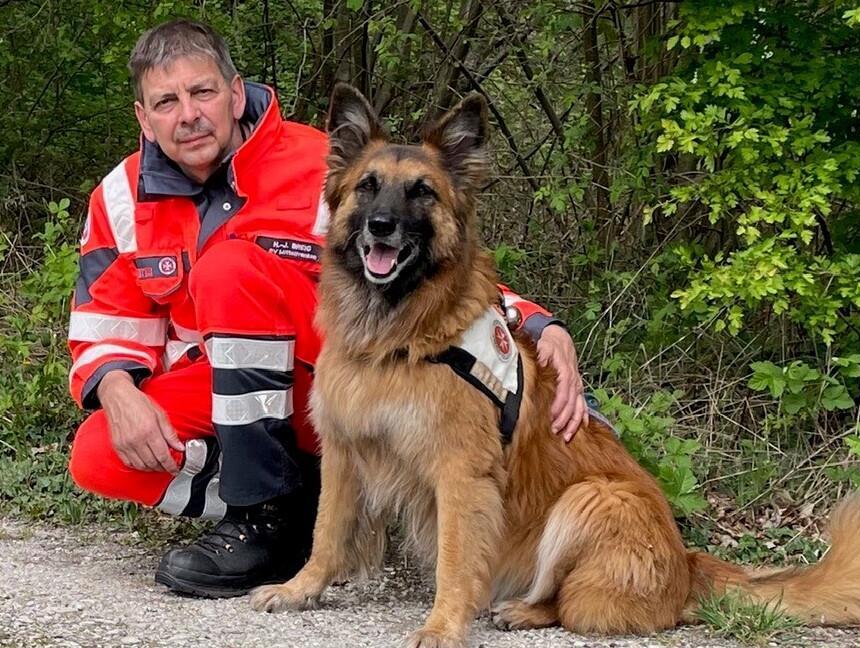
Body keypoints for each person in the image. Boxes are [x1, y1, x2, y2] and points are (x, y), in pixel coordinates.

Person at [66, 19, 589, 599]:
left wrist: (537, 323)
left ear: (235, 94)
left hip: (323, 375)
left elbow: (438, 268)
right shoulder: (120, 197)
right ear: (144, 118)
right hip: (217, 388)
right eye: (167, 101)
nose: (188, 115)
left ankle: (261, 518)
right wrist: (117, 389)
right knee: (97, 455)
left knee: (229, 270)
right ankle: (294, 511)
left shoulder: (322, 167)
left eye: (202, 92)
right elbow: (104, 326)